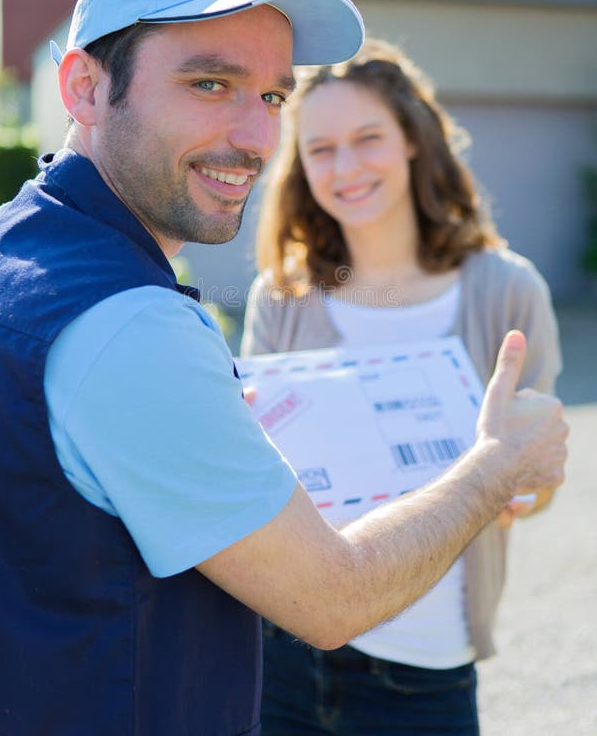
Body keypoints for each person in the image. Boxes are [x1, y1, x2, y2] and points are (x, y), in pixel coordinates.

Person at [0, 0, 567, 736]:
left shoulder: (18, 250)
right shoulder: (132, 321)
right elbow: (333, 597)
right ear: (84, 88)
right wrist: (495, 467)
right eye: (209, 82)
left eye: (271, 98)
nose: (259, 137)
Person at [241, 37, 563, 735]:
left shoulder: (507, 291)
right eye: (321, 149)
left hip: (423, 669)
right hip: (283, 656)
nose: (346, 167)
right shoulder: (282, 297)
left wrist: (517, 490)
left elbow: (537, 479)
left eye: (368, 138)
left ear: (413, 141)